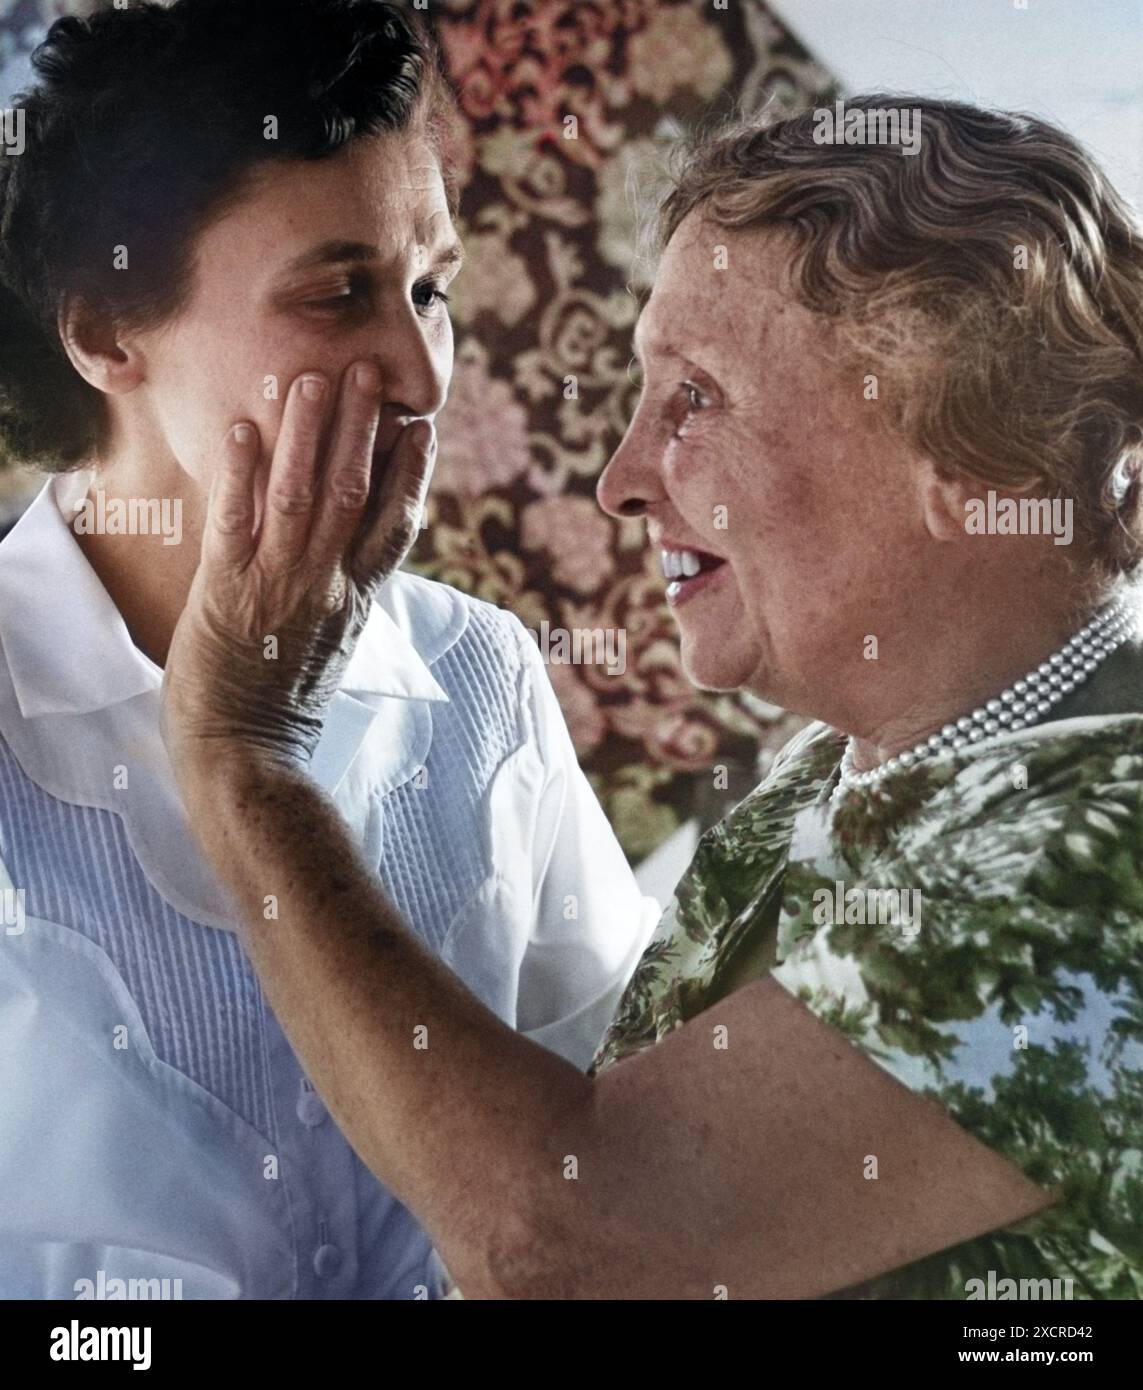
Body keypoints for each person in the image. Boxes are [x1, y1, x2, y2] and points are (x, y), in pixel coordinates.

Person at [160, 96, 1143, 1299]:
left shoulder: (1104, 849)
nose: (623, 479)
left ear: (967, 445)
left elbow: (563, 1243)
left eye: (697, 397)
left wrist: (239, 753)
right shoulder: (840, 766)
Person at [0, 0, 655, 1300]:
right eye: (339, 291)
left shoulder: (480, 673)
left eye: (429, 290)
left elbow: (623, 1158)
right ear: (104, 331)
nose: (420, 373)